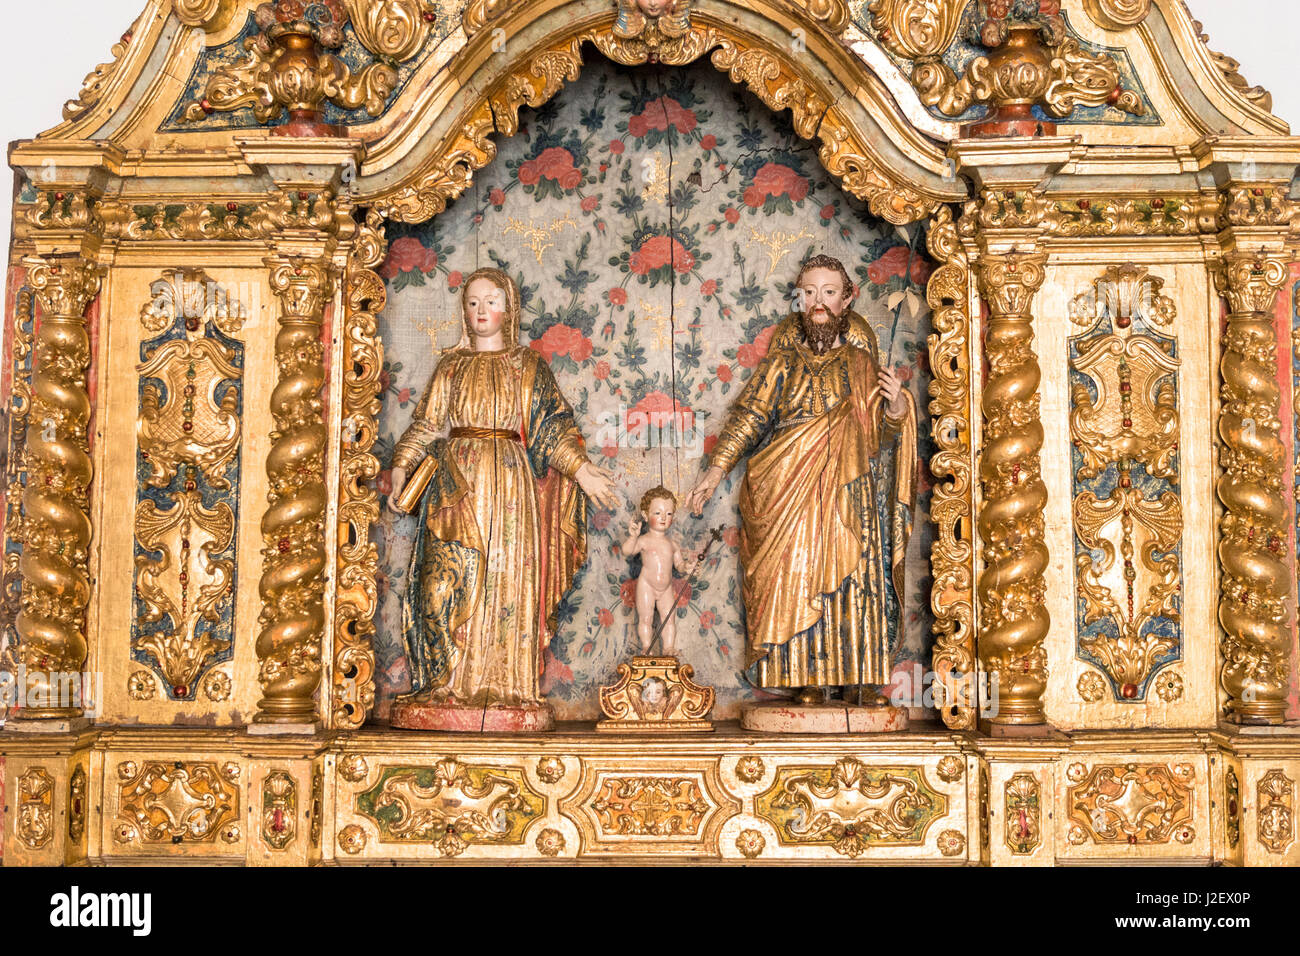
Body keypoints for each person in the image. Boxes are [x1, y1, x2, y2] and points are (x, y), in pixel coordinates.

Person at [388, 268, 617, 727]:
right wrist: (400, 467)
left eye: (490, 301)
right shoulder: (451, 366)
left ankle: (508, 685)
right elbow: (429, 424)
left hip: (511, 483)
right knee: (447, 581)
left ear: (508, 308)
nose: (480, 312)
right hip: (457, 482)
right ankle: (448, 684)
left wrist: (582, 470)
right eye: (472, 303)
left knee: (506, 575)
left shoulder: (527, 366)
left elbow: (551, 428)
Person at [686, 255, 917, 706]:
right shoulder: (782, 364)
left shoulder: (862, 363)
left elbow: (881, 438)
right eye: (808, 292)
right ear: (798, 298)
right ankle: (803, 675)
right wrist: (715, 471)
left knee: (855, 576)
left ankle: (861, 676)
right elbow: (750, 419)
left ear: (847, 299)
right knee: (797, 575)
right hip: (787, 483)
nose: (818, 303)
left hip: (849, 488)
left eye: (829, 292)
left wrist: (895, 409)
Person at [622, 486, 700, 657]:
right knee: (646, 618)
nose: (664, 518)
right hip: (646, 585)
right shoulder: (644, 540)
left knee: (669, 619)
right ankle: (646, 647)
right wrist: (633, 536)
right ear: (645, 514)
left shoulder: (672, 544)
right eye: (657, 513)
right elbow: (627, 551)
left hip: (666, 588)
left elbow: (679, 566)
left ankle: (668, 648)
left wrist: (688, 568)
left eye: (669, 513)